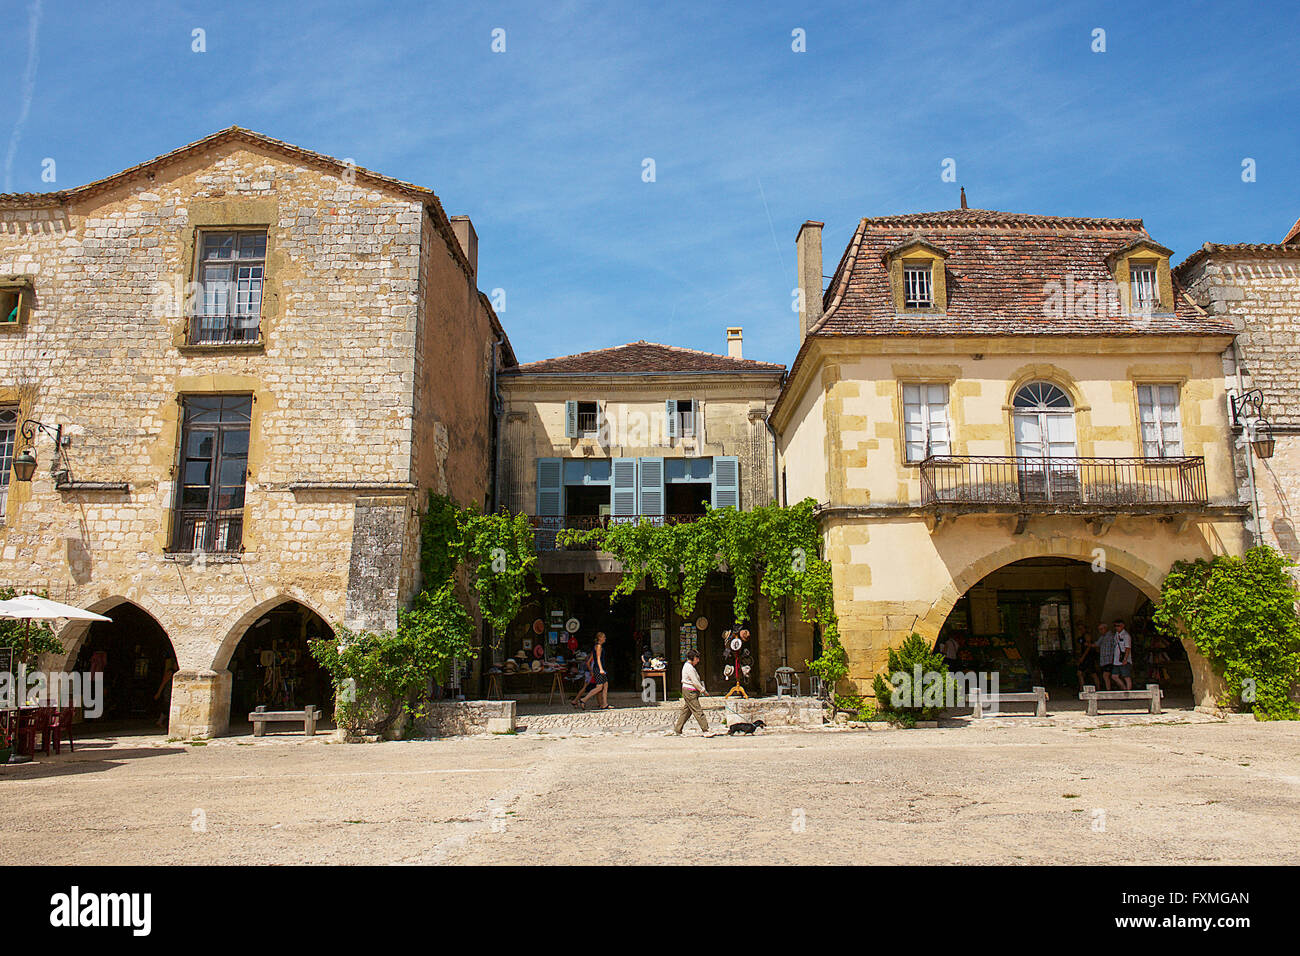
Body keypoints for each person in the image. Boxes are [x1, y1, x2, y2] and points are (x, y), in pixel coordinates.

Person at [672, 650, 710, 735]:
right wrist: (703, 690)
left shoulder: (690, 667)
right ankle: (705, 730)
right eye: (697, 658)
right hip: (690, 691)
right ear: (694, 658)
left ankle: (678, 729)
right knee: (698, 711)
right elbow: (695, 682)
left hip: (690, 691)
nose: (698, 661)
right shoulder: (688, 667)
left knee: (686, 711)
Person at [577, 632, 610, 710]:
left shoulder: (598, 646)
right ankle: (583, 699)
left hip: (599, 668)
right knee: (599, 687)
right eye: (604, 637)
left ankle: (604, 703)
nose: (605, 638)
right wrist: (601, 669)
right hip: (598, 668)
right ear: (600, 638)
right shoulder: (598, 646)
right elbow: (598, 659)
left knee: (605, 684)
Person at [154, 658, 177, 729]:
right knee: (167, 707)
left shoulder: (176, 672)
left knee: (167, 707)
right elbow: (164, 682)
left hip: (172, 691)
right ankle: (160, 721)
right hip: (168, 692)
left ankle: (162, 721)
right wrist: (159, 693)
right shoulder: (170, 672)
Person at [1075, 624, 1099, 691]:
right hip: (1084, 656)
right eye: (1079, 629)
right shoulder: (1081, 637)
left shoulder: (1087, 635)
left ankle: (1098, 688)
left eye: (1081, 628)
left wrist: (1083, 657)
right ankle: (1082, 687)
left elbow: (1088, 647)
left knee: (1093, 673)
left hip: (1088, 657)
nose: (1080, 630)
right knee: (1080, 673)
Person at [1112, 619, 1133, 691]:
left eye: (1118, 626)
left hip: (1124, 659)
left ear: (1123, 626)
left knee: (1126, 676)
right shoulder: (1116, 635)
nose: (1116, 627)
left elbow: (1127, 648)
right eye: (1115, 626)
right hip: (1117, 659)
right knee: (1114, 676)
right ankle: (1124, 689)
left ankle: (1128, 692)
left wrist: (1125, 659)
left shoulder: (1126, 636)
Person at [1096, 622, 1115, 691]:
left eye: (1101, 629)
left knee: (1106, 675)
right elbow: (1097, 644)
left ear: (1105, 628)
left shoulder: (1111, 637)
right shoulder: (1102, 637)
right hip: (1104, 660)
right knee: (1106, 675)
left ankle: (1109, 690)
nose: (1100, 631)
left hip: (1109, 659)